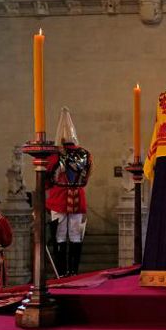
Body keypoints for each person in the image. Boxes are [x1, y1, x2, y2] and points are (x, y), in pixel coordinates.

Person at [46, 107, 92, 277]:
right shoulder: (86, 154)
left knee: (59, 235)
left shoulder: (54, 155)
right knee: (75, 234)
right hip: (77, 197)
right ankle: (74, 271)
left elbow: (46, 175)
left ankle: (61, 272)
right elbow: (86, 178)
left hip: (58, 196)